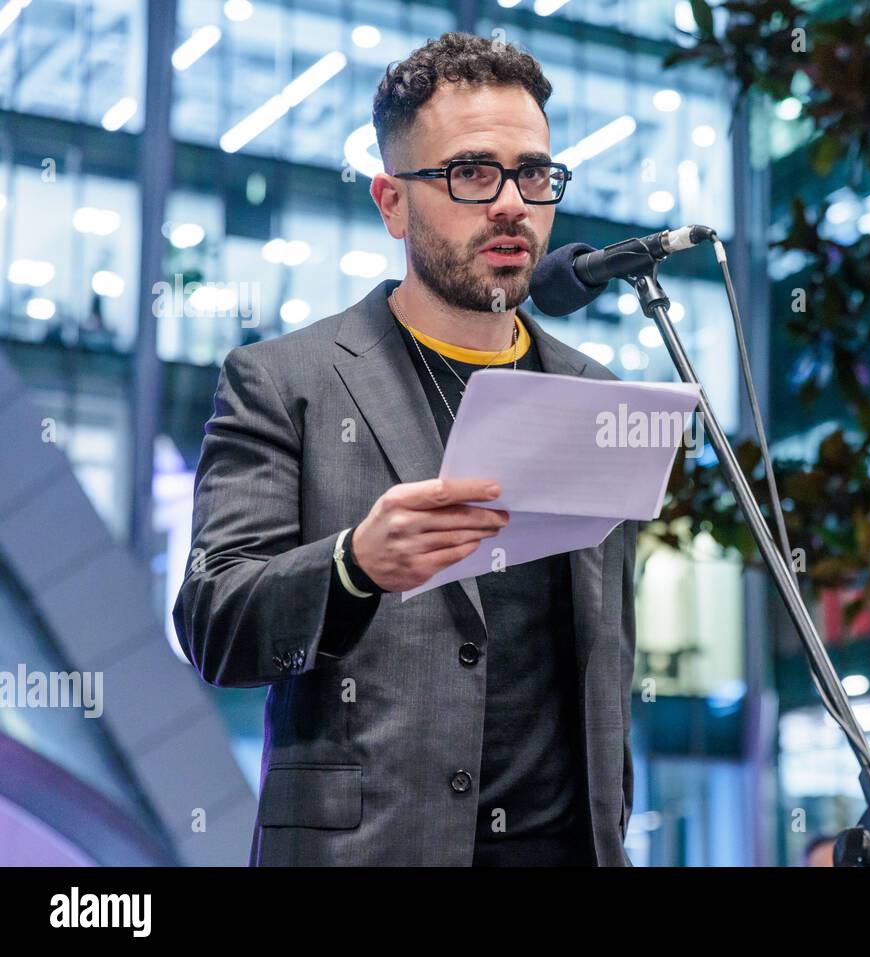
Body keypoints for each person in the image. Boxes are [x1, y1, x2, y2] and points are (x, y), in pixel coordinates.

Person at [173, 32, 637, 867]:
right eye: (470, 172)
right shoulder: (285, 380)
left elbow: (603, 660)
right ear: (391, 202)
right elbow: (215, 623)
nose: (510, 203)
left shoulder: (593, 392)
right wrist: (352, 565)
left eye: (534, 173)